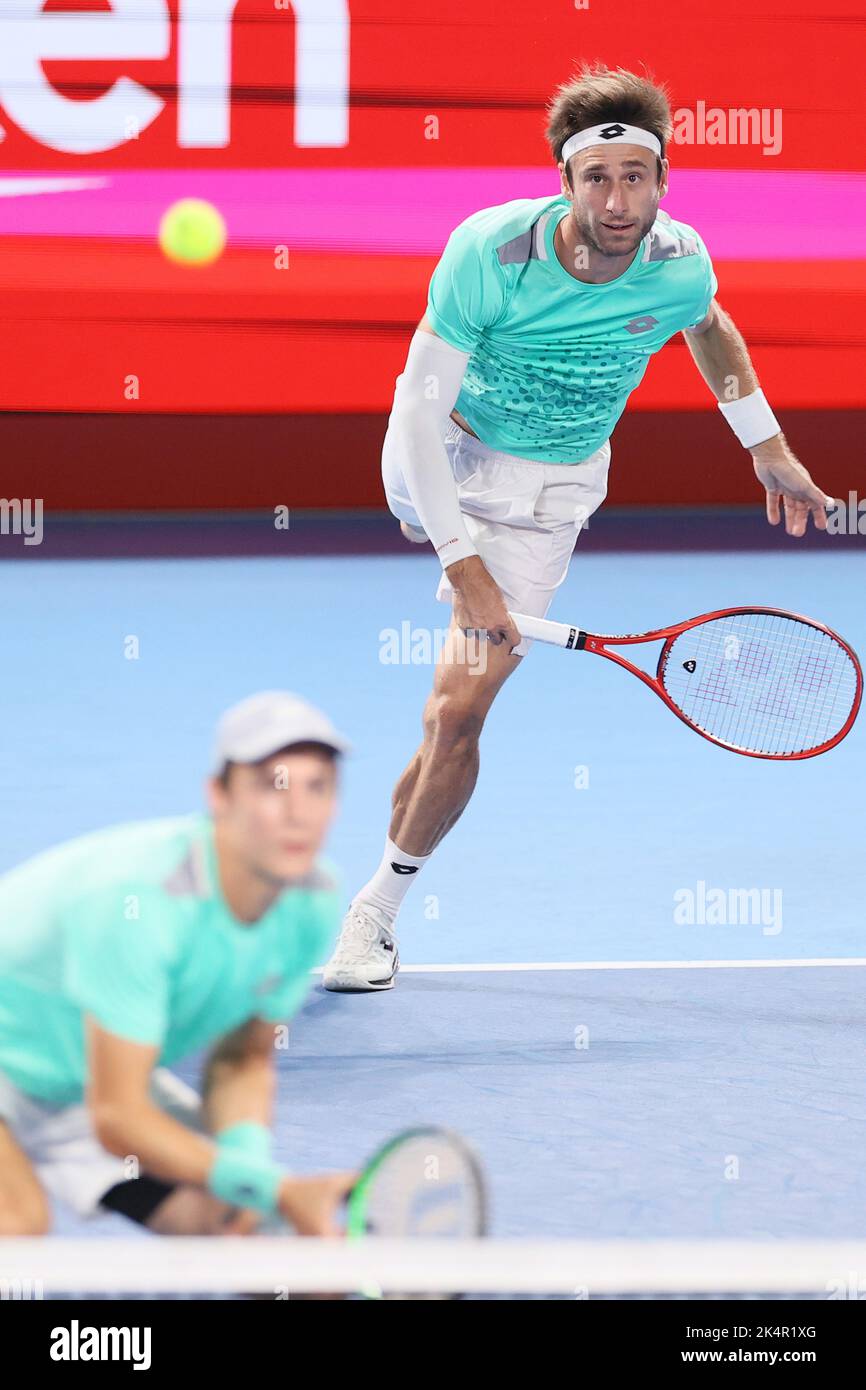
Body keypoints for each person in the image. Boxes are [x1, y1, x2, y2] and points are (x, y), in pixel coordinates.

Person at [323, 62, 834, 993]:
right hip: (443, 445)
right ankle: (440, 555)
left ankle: (374, 913)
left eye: (635, 176)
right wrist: (461, 563)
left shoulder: (680, 264)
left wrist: (765, 446)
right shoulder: (489, 253)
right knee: (430, 528)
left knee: (455, 714)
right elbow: (416, 415)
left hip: (549, 491)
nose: (616, 197)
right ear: (564, 183)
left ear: (662, 182)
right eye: (595, 178)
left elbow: (710, 327)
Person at [0, 691, 355, 1237]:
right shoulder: (138, 902)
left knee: (264, 1238)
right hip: (57, 1079)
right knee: (16, 1231)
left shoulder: (311, 901)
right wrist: (274, 1187)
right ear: (220, 796)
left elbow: (242, 1059)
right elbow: (118, 1117)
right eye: (272, 785)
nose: (297, 812)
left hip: (79, 1078)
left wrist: (250, 1176)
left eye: (318, 787)